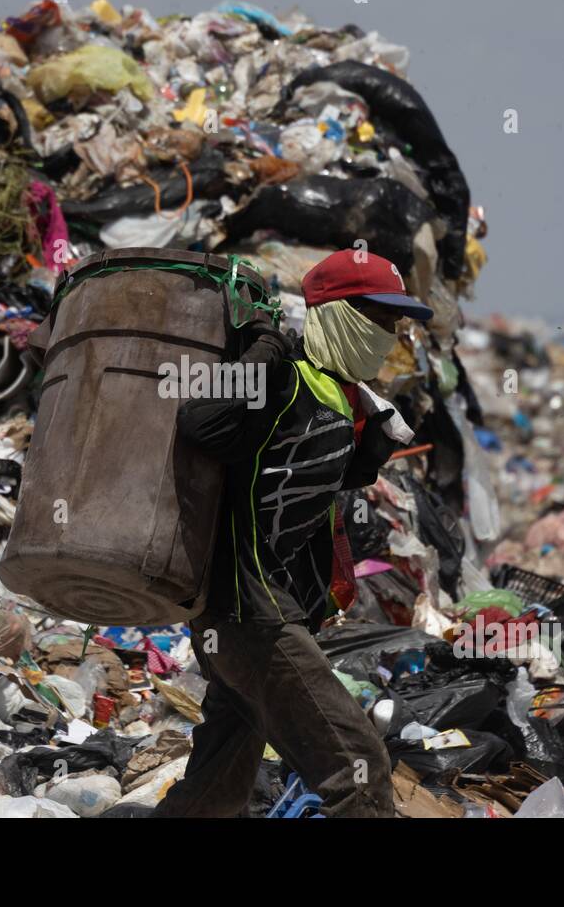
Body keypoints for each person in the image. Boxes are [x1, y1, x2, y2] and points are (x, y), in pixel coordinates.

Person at [154, 249, 432, 818]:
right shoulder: (283, 376)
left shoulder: (344, 395)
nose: (388, 335)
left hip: (259, 614)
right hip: (250, 611)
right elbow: (200, 422)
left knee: (220, 783)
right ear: (334, 314)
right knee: (359, 771)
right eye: (377, 318)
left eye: (395, 323)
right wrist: (268, 345)